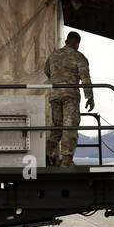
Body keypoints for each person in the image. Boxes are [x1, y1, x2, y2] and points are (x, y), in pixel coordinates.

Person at [43, 31, 95, 167]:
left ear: (66, 41)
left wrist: (57, 79)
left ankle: (47, 154)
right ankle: (66, 160)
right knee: (69, 127)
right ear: (77, 43)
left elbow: (46, 71)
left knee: (56, 127)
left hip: (54, 95)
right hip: (70, 95)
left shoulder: (53, 56)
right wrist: (89, 97)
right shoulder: (79, 57)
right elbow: (85, 78)